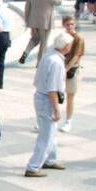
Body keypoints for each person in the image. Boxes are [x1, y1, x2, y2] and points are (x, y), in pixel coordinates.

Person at [24, 32, 73, 177]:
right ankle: (33, 167)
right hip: (47, 99)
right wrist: (57, 109)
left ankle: (50, 160)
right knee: (47, 135)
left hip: (40, 96)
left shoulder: (49, 56)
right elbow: (52, 89)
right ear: (65, 46)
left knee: (50, 132)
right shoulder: (56, 62)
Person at [18, 0, 61, 64]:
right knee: (43, 43)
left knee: (34, 39)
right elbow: (58, 2)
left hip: (33, 21)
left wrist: (27, 20)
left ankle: (26, 52)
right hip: (45, 22)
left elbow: (27, 8)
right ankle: (40, 62)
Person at [59, 15, 84, 132]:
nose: (70, 27)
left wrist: (66, 69)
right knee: (54, 94)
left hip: (72, 69)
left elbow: (76, 55)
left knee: (70, 96)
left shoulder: (78, 38)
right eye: (68, 24)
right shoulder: (62, 37)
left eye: (72, 24)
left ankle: (68, 120)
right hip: (61, 67)